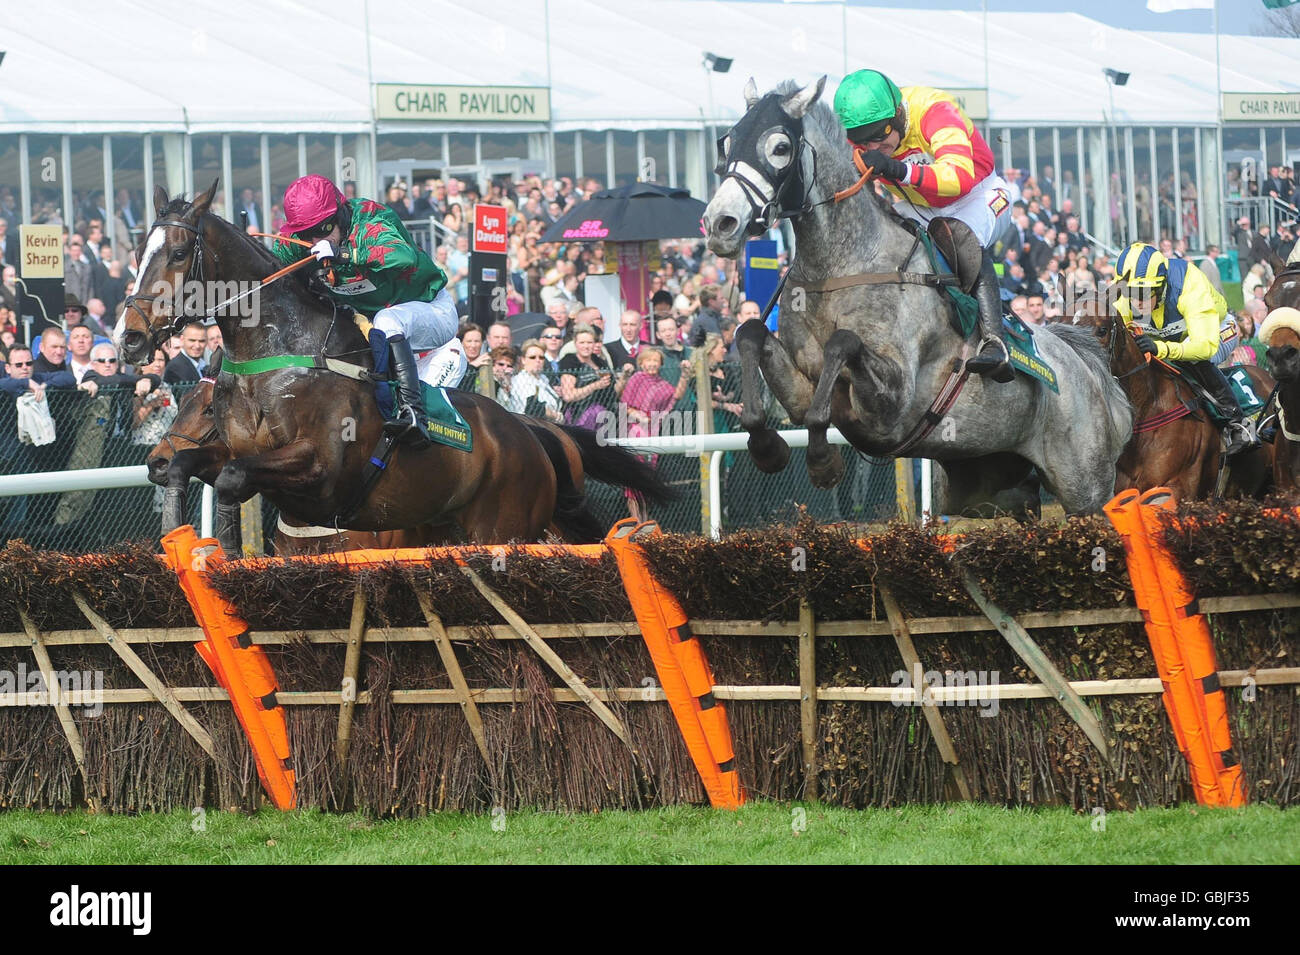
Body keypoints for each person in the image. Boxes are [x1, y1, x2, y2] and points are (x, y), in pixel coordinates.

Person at [834, 69, 1014, 381]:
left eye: (879, 136)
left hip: (978, 194)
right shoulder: (866, 137)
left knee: (957, 234)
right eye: (863, 142)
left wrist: (895, 169)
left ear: (899, 114)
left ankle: (995, 344)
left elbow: (959, 177)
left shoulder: (935, 110)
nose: (873, 147)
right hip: (918, 205)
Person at [272, 174, 459, 445]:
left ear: (340, 216)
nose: (313, 241)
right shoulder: (300, 241)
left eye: (322, 230)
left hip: (432, 313)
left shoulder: (371, 219)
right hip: (378, 334)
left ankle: (413, 415)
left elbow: (402, 256)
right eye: (305, 235)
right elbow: (271, 269)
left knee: (387, 319)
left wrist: (344, 255)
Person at [1114, 242, 1258, 456]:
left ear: (1161, 285)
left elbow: (1204, 347)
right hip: (1170, 337)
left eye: (1144, 294)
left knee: (1192, 358)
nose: (1137, 302)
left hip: (1217, 330)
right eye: (1131, 294)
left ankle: (1237, 423)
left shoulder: (1188, 283)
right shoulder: (1127, 293)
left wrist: (1160, 348)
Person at [619, 347, 691, 521]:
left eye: (655, 361)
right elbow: (625, 404)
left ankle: (644, 519)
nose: (652, 364)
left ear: (660, 364)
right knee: (634, 476)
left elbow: (676, 395)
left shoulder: (662, 384)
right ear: (641, 363)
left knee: (648, 476)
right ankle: (636, 519)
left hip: (653, 430)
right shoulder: (636, 379)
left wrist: (685, 374)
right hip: (635, 430)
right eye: (648, 360)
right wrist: (637, 415)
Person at [506, 339, 563, 422]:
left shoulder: (543, 379)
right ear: (523, 360)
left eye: (541, 357)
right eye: (532, 357)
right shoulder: (520, 380)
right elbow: (533, 407)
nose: (538, 360)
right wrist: (555, 415)